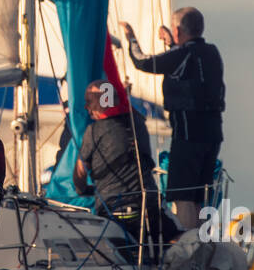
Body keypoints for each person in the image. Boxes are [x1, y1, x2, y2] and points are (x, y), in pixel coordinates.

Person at [120, 7, 225, 231]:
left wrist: (131, 39)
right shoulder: (211, 53)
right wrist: (173, 44)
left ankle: (189, 247)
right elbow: (186, 65)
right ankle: (201, 248)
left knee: (183, 195)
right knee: (199, 196)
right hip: (212, 136)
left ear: (177, 30)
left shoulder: (183, 55)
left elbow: (143, 62)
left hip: (188, 137)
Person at [72, 81, 176, 260]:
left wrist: (82, 190)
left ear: (97, 105)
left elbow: (81, 171)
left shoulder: (93, 131)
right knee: (171, 237)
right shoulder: (138, 122)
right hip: (146, 203)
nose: (88, 109)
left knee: (115, 257)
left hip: (112, 208)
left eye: (90, 104)